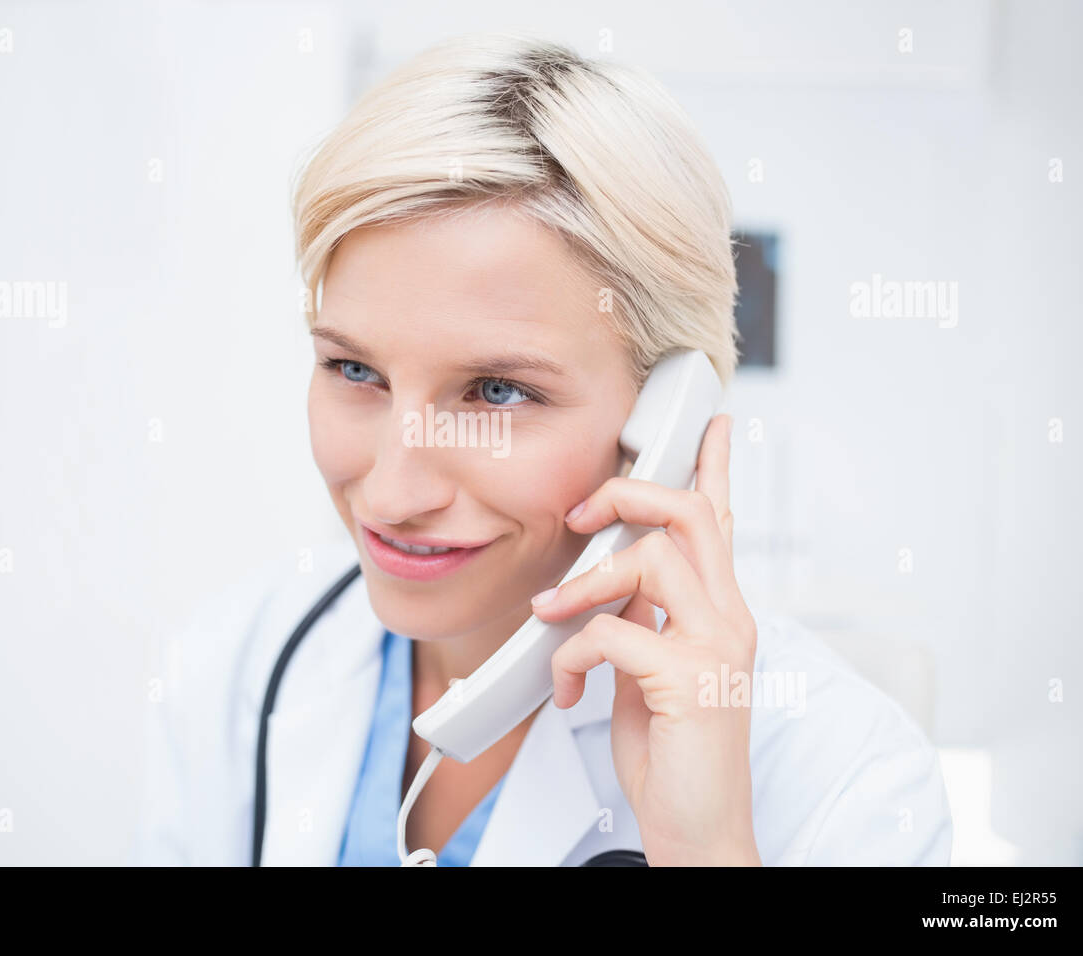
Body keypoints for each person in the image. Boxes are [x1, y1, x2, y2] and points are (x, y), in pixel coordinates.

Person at [134, 31, 952, 866]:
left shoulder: (845, 778)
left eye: (496, 392)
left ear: (666, 420)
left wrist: (707, 849)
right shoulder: (239, 667)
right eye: (354, 369)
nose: (390, 493)